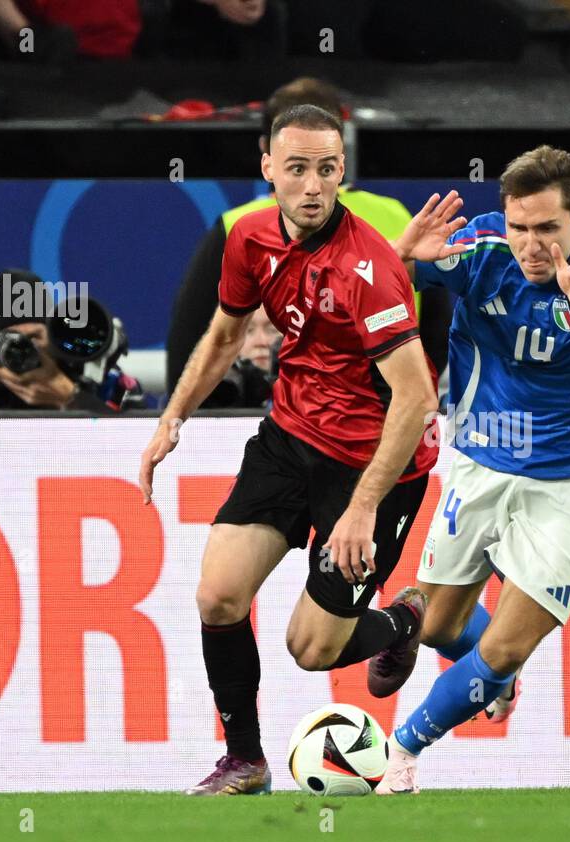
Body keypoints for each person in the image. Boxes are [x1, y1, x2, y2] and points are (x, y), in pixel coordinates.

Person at [140, 104, 442, 797]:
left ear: (342, 171)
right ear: (268, 167)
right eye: (297, 168)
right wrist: (172, 418)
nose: (312, 185)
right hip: (290, 438)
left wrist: (364, 506)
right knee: (218, 595)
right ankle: (244, 761)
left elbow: (416, 397)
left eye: (326, 169)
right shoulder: (247, 237)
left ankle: (401, 620)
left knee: (312, 650)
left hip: (376, 467)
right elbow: (222, 336)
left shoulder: (371, 267)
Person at [373, 145, 570, 794]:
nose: (532, 245)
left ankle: (401, 752)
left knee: (502, 648)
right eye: (521, 227)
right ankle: (492, 683)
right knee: (438, 628)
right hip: (481, 459)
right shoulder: (481, 248)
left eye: (549, 230)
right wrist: (399, 252)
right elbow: (367, 282)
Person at [167, 76, 453, 400]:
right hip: (377, 412)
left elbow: (187, 349)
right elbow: (436, 334)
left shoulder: (236, 226)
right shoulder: (398, 216)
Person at [0, 270, 146, 412]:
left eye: (35, 337)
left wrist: (70, 398)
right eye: (9, 340)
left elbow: (143, 456)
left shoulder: (98, 379)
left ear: (53, 337)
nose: (22, 349)